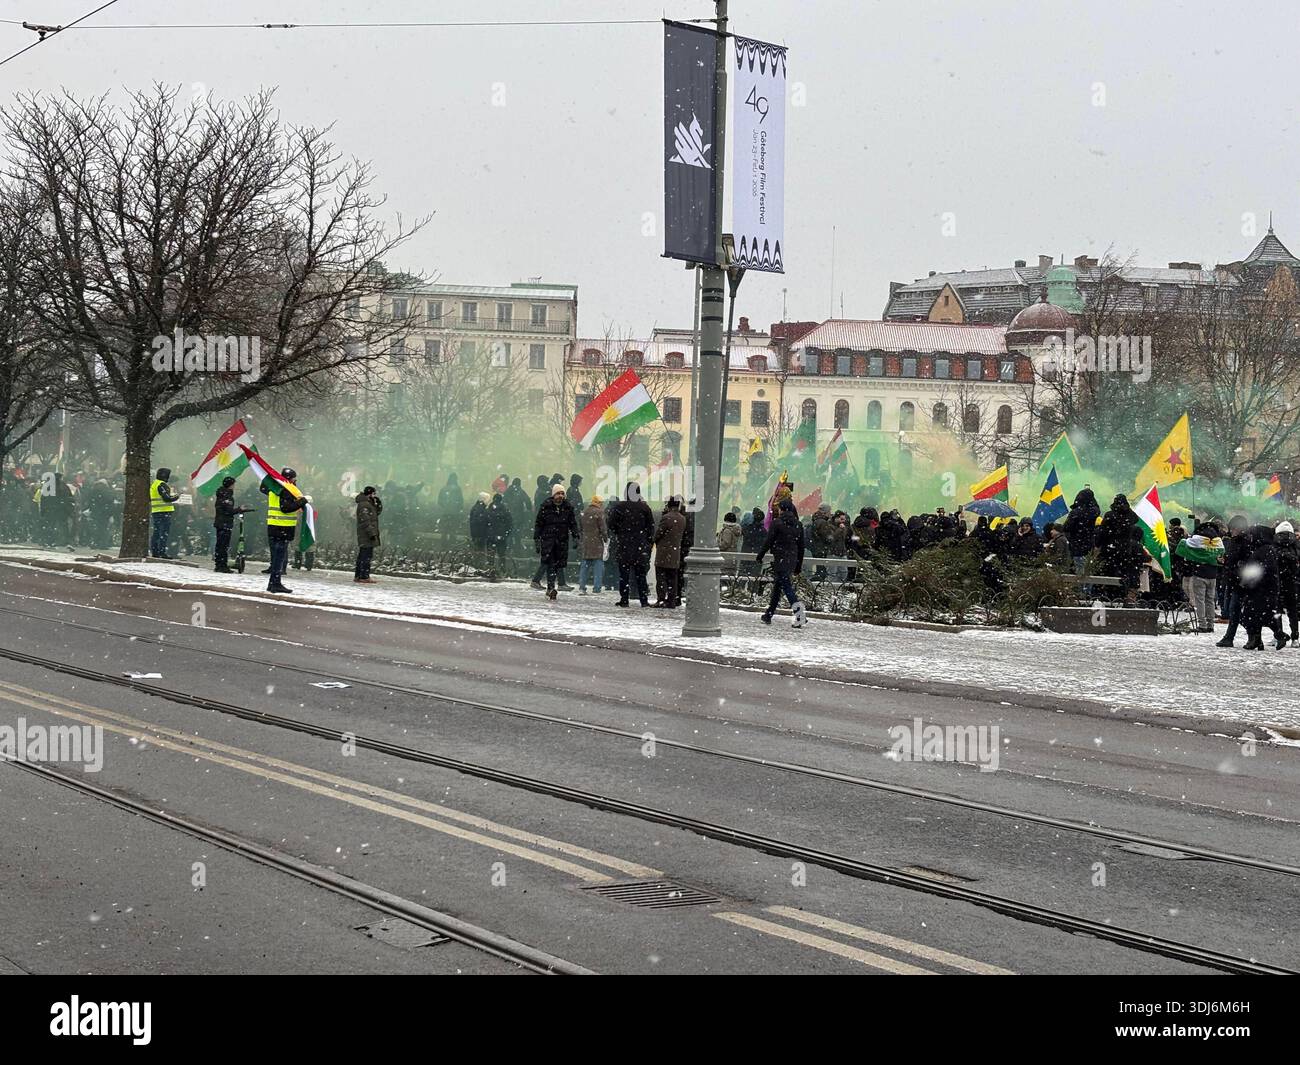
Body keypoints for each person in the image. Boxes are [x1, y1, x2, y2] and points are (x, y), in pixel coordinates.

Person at [755, 497, 807, 627]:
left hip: (780, 558)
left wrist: (760, 555)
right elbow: (801, 547)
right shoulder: (798, 524)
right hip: (792, 559)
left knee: (787, 587)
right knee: (778, 587)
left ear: (782, 509)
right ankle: (769, 614)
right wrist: (798, 565)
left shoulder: (777, 523)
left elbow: (769, 541)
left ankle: (800, 615)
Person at [1240, 524, 1287, 650]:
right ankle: (1259, 639)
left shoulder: (1265, 549)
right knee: (1257, 616)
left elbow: (1265, 569)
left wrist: (1253, 579)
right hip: (1261, 589)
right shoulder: (1264, 548)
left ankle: (1276, 635)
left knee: (1252, 615)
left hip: (1262, 590)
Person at [607, 481, 654, 607]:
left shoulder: (619, 507)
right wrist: (647, 541)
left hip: (624, 544)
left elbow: (611, 524)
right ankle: (643, 600)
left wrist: (619, 532)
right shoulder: (644, 508)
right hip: (640, 545)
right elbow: (650, 527)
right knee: (640, 575)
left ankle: (624, 599)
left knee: (624, 575)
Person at [265, 467, 307, 593]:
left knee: (276, 557)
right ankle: (275, 583)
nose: (295, 481)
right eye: (294, 479)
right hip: (283, 527)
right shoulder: (286, 489)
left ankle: (273, 582)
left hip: (273, 526)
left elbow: (263, 488)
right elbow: (285, 508)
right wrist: (301, 502)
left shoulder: (274, 488)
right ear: (291, 479)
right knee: (279, 557)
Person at [533, 482, 579, 599]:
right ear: (553, 494)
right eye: (558, 493)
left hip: (562, 540)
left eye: (562, 494)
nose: (560, 496)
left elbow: (573, 523)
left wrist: (575, 536)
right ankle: (551, 587)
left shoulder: (567, 507)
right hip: (548, 540)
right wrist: (537, 540)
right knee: (550, 564)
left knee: (558, 564)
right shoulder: (545, 506)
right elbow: (539, 524)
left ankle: (553, 586)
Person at [1214, 516, 1252, 646]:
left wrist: (1233, 566)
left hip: (1240, 581)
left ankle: (1249, 636)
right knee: (1234, 610)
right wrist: (1225, 559)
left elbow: (1244, 560)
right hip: (1234, 580)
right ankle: (1236, 637)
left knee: (1236, 610)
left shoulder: (1244, 541)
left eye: (1233, 528)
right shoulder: (1236, 540)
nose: (1232, 530)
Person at [652, 496, 687, 607]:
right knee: (673, 577)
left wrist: (654, 540)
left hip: (664, 551)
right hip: (675, 551)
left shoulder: (666, 517)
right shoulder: (682, 518)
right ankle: (671, 600)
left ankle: (661, 599)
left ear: (669, 505)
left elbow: (659, 533)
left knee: (661, 576)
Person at [213, 476, 252, 572]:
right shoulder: (226, 496)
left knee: (221, 545)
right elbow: (228, 510)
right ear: (230, 485)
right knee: (223, 545)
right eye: (234, 484)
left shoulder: (221, 494)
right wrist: (239, 509)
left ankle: (220, 564)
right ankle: (221, 565)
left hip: (221, 522)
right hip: (224, 523)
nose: (234, 486)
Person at [578, 495, 607, 594]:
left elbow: (580, 528)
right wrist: (605, 538)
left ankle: (582, 586)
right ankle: (597, 587)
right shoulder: (599, 512)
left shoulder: (584, 512)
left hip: (586, 542)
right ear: (598, 502)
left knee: (585, 565)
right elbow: (603, 528)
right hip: (597, 542)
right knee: (598, 565)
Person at [1276, 521, 1299, 645]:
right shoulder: (1295, 545)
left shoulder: (1276, 544)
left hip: (1278, 580)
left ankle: (1279, 635)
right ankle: (1295, 637)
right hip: (1291, 582)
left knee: (1277, 609)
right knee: (1292, 610)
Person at [149, 468, 180, 558]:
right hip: (164, 512)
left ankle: (155, 551)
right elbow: (166, 498)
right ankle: (162, 552)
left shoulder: (154, 484)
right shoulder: (162, 484)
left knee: (157, 532)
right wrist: (177, 496)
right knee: (163, 533)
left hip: (156, 511)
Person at [354, 485, 382, 583]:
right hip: (366, 534)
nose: (374, 496)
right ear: (369, 494)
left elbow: (375, 514)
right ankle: (364, 576)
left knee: (363, 554)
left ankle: (359, 575)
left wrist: (377, 505)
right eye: (373, 494)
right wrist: (372, 532)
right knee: (366, 555)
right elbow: (365, 521)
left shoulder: (367, 504)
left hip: (366, 533)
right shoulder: (364, 505)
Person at [485, 492, 514, 569]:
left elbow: (484, 522)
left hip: (490, 535)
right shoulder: (505, 510)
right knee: (501, 554)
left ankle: (490, 569)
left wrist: (486, 533)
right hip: (501, 535)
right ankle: (502, 569)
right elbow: (510, 523)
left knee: (490, 554)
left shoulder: (489, 509)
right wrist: (506, 533)